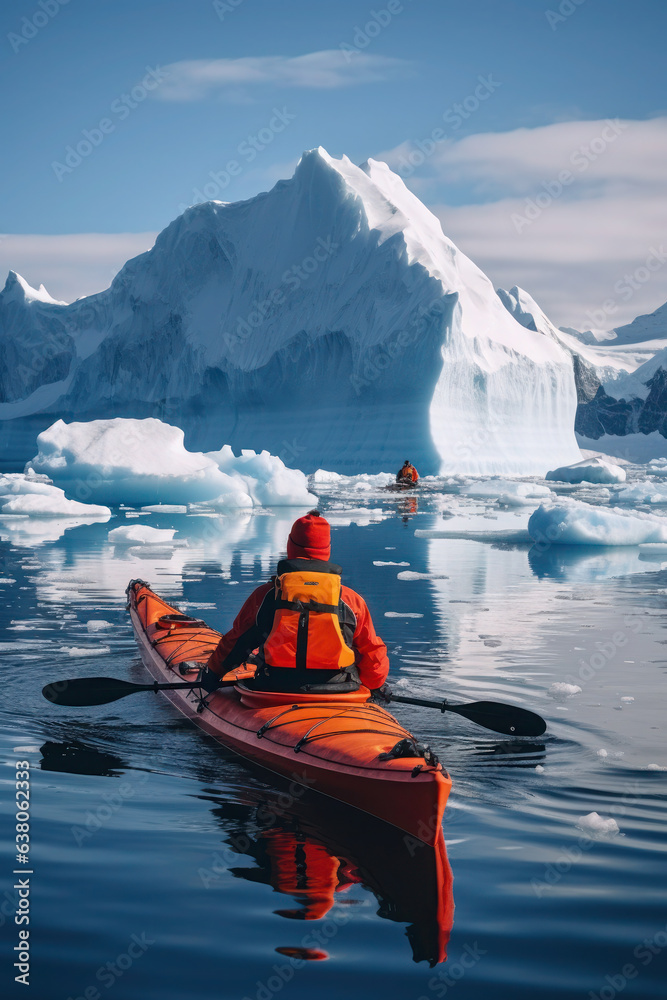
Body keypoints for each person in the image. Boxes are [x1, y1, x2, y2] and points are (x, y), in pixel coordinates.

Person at [200, 510, 390, 695]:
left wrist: (212, 675)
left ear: (290, 547)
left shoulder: (266, 595)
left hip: (275, 685)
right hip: (337, 686)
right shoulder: (350, 600)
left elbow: (237, 642)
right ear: (326, 550)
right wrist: (375, 686)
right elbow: (372, 650)